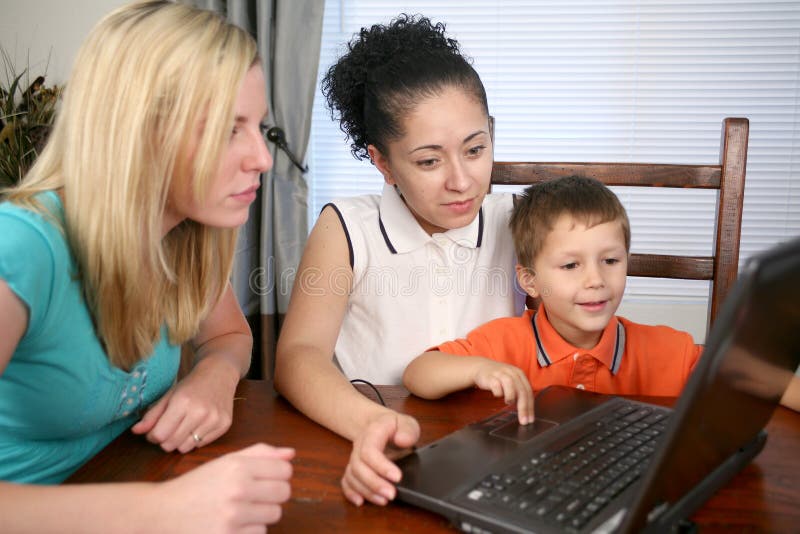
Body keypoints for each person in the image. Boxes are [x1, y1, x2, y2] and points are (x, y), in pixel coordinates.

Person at [0, 1, 293, 531]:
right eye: (228, 130)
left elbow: (229, 335)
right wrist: (162, 510)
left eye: (258, 126)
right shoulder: (19, 247)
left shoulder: (187, 233)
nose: (263, 159)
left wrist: (213, 377)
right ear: (138, 131)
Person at [274, 14, 523, 507]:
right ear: (383, 162)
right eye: (429, 161)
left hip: (494, 456)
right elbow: (299, 356)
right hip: (372, 451)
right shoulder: (347, 227)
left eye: (475, 149)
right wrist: (373, 421)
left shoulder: (518, 221)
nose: (461, 181)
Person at [403, 175, 800, 417]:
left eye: (610, 260)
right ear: (530, 281)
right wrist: (479, 370)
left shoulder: (664, 350)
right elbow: (419, 373)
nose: (596, 280)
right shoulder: (503, 343)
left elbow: (754, 375)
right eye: (570, 265)